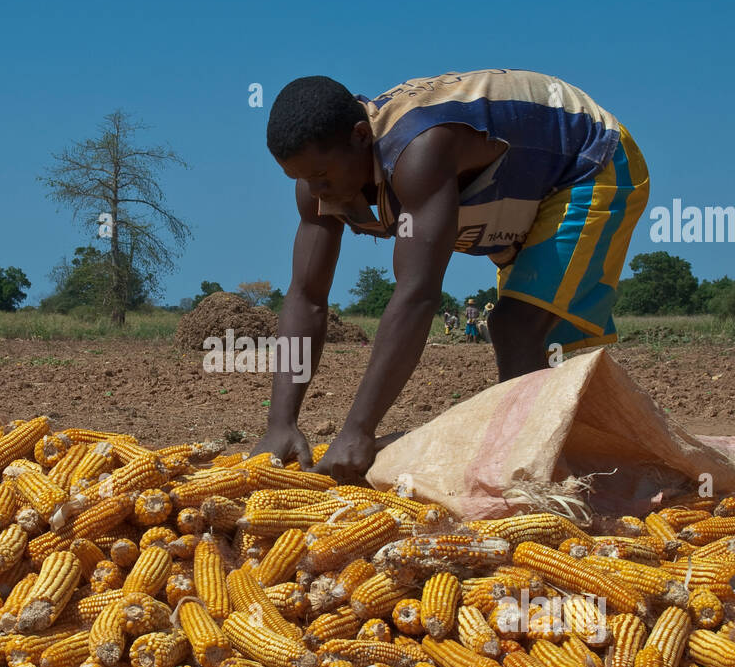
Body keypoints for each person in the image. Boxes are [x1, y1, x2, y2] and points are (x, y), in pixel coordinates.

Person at [251, 69, 651, 480]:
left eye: (321, 177)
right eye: (299, 178)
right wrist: (280, 422)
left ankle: (526, 475)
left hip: (587, 159)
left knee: (517, 326)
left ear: (359, 136)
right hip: (517, 189)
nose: (314, 191)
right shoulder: (319, 179)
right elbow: (307, 296)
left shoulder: (420, 150)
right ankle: (537, 456)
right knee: (526, 336)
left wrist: (358, 430)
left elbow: (417, 294)